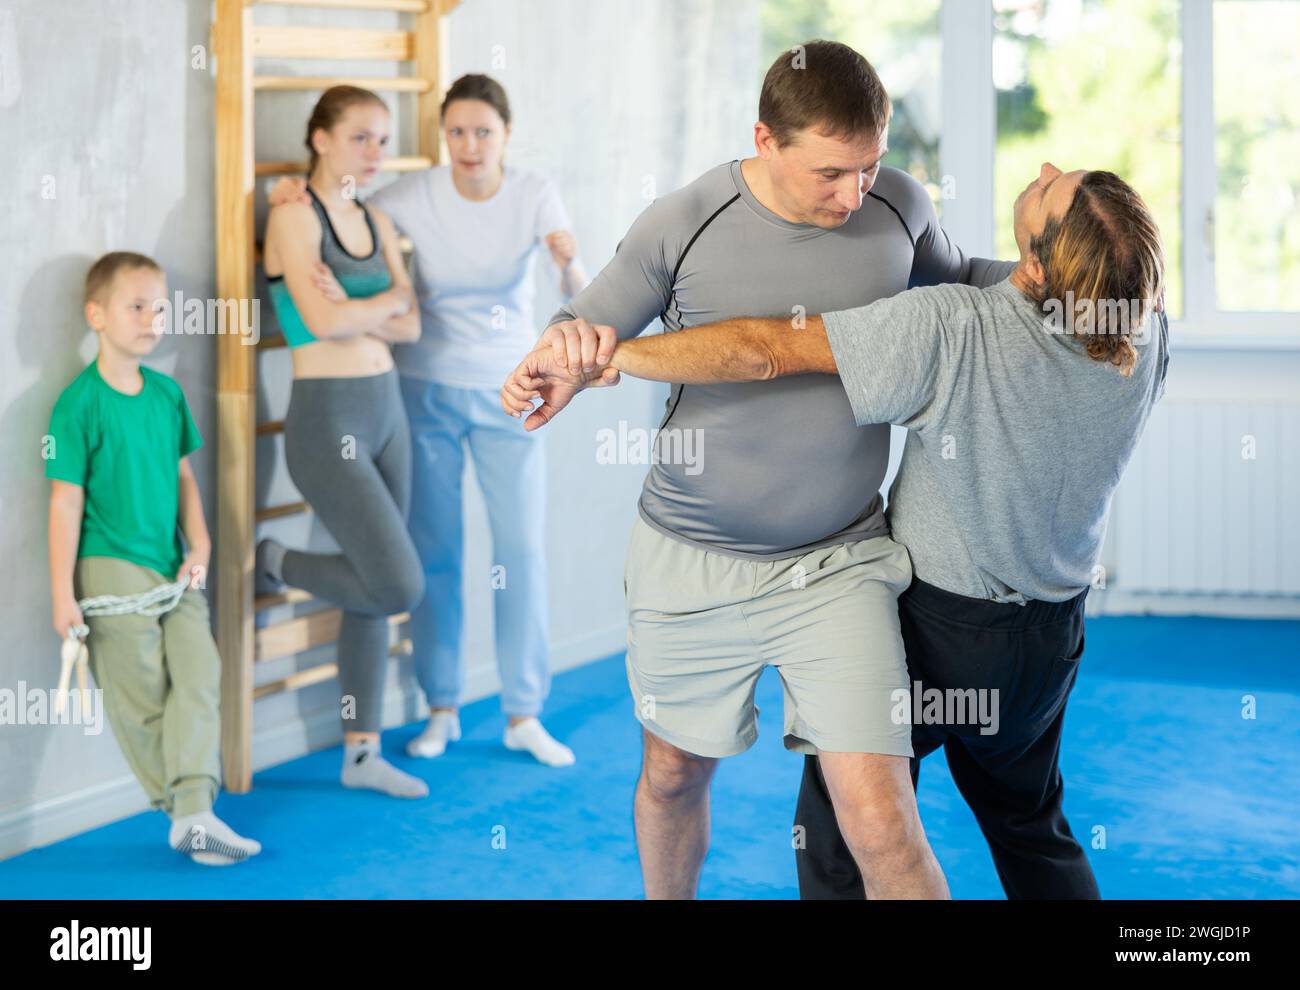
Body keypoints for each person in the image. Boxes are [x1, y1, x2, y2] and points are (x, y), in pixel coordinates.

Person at [503, 164, 1170, 900]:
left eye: (1050, 189)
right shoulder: (1142, 331)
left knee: (845, 844)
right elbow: (1009, 283)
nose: (1042, 171)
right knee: (1030, 827)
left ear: (1041, 266)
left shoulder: (957, 326)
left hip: (942, 632)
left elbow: (766, 349)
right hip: (1049, 641)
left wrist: (610, 354)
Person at [509, 40, 1014, 899]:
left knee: (884, 818)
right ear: (765, 139)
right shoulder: (686, 219)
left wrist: (1070, 279)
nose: (854, 192)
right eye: (831, 172)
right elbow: (584, 323)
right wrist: (551, 358)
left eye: (870, 165)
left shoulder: (898, 205)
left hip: (838, 563)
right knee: (672, 777)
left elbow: (962, 283)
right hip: (689, 558)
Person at [270, 74, 587, 767]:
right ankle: (441, 706)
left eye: (484, 132)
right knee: (435, 556)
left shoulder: (533, 192)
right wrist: (284, 191)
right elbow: (338, 202)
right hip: (423, 393)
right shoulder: (408, 197)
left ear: (506, 135)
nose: (469, 145)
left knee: (521, 554)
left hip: (513, 391)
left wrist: (571, 269)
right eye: (456, 132)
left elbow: (571, 269)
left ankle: (523, 713)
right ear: (443, 136)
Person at [46, 251, 262, 865]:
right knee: (140, 698)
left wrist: (202, 543)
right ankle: (185, 813)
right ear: (97, 315)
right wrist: (63, 593)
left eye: (159, 307)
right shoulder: (77, 404)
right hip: (110, 567)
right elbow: (64, 504)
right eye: (136, 306)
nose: (151, 318)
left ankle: (195, 811)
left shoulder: (166, 395)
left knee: (199, 674)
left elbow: (184, 478)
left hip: (173, 564)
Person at [253, 85, 429, 799]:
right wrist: (379, 305)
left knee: (373, 592)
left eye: (383, 139)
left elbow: (413, 325)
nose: (376, 153)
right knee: (398, 582)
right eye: (361, 137)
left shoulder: (377, 220)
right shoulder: (294, 218)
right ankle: (275, 559)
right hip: (328, 417)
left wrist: (365, 307)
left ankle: (361, 753)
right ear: (321, 139)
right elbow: (321, 326)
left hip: (387, 408)